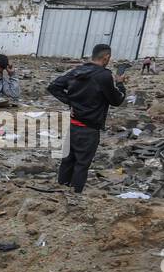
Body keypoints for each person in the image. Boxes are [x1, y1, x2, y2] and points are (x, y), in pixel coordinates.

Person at [47, 42, 126, 194]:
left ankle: (60, 190)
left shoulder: (77, 71)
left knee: (67, 161)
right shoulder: (104, 76)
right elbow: (116, 101)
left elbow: (53, 86)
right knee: (81, 165)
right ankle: (75, 197)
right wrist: (120, 85)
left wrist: (70, 103)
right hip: (89, 130)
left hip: (72, 126)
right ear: (106, 57)